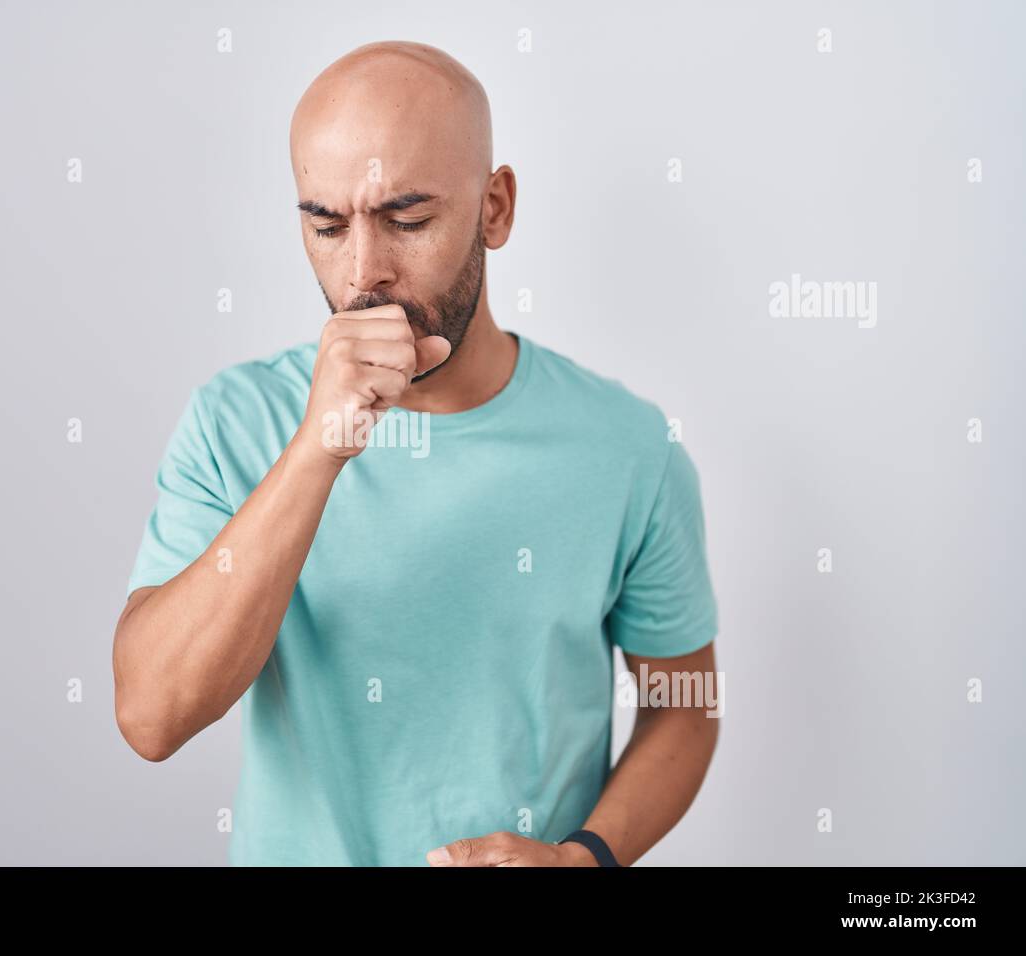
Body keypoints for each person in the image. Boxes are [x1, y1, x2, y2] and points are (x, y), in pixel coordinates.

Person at [113, 40, 721, 867]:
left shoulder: (629, 450)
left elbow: (683, 707)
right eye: (326, 225)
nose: (365, 273)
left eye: (408, 220)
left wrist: (585, 859)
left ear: (495, 208)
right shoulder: (236, 422)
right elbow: (152, 716)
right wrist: (317, 450)